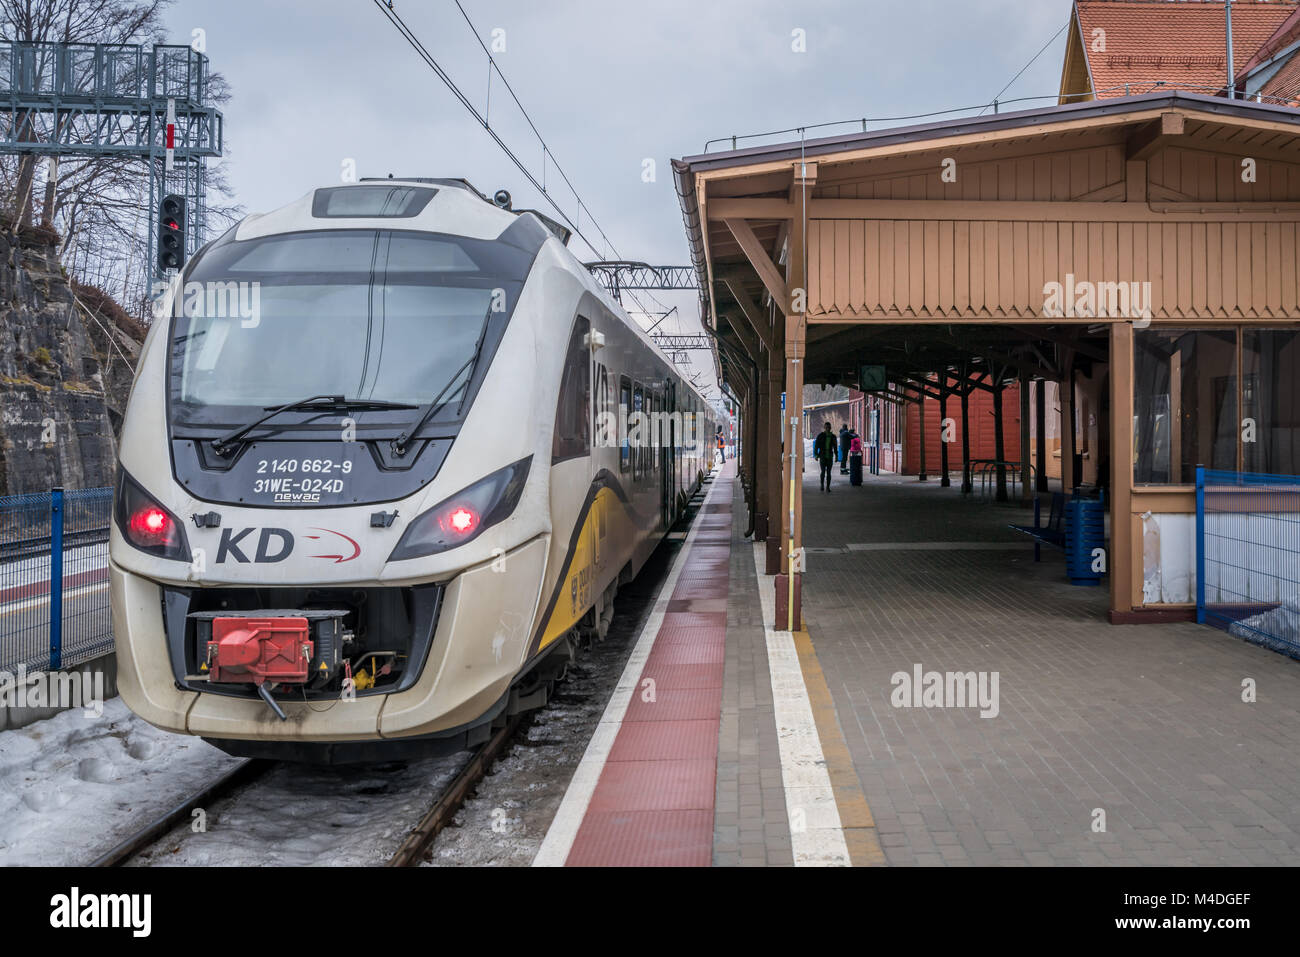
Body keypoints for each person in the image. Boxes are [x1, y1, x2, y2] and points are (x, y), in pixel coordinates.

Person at [813, 421, 838, 492]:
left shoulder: (833, 437)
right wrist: (816, 455)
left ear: (830, 428)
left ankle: (828, 487)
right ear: (824, 428)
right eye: (826, 427)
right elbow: (816, 446)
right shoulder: (820, 435)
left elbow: (835, 447)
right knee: (823, 471)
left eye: (829, 427)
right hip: (822, 456)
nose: (827, 428)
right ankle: (822, 485)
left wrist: (836, 456)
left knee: (829, 472)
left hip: (830, 456)